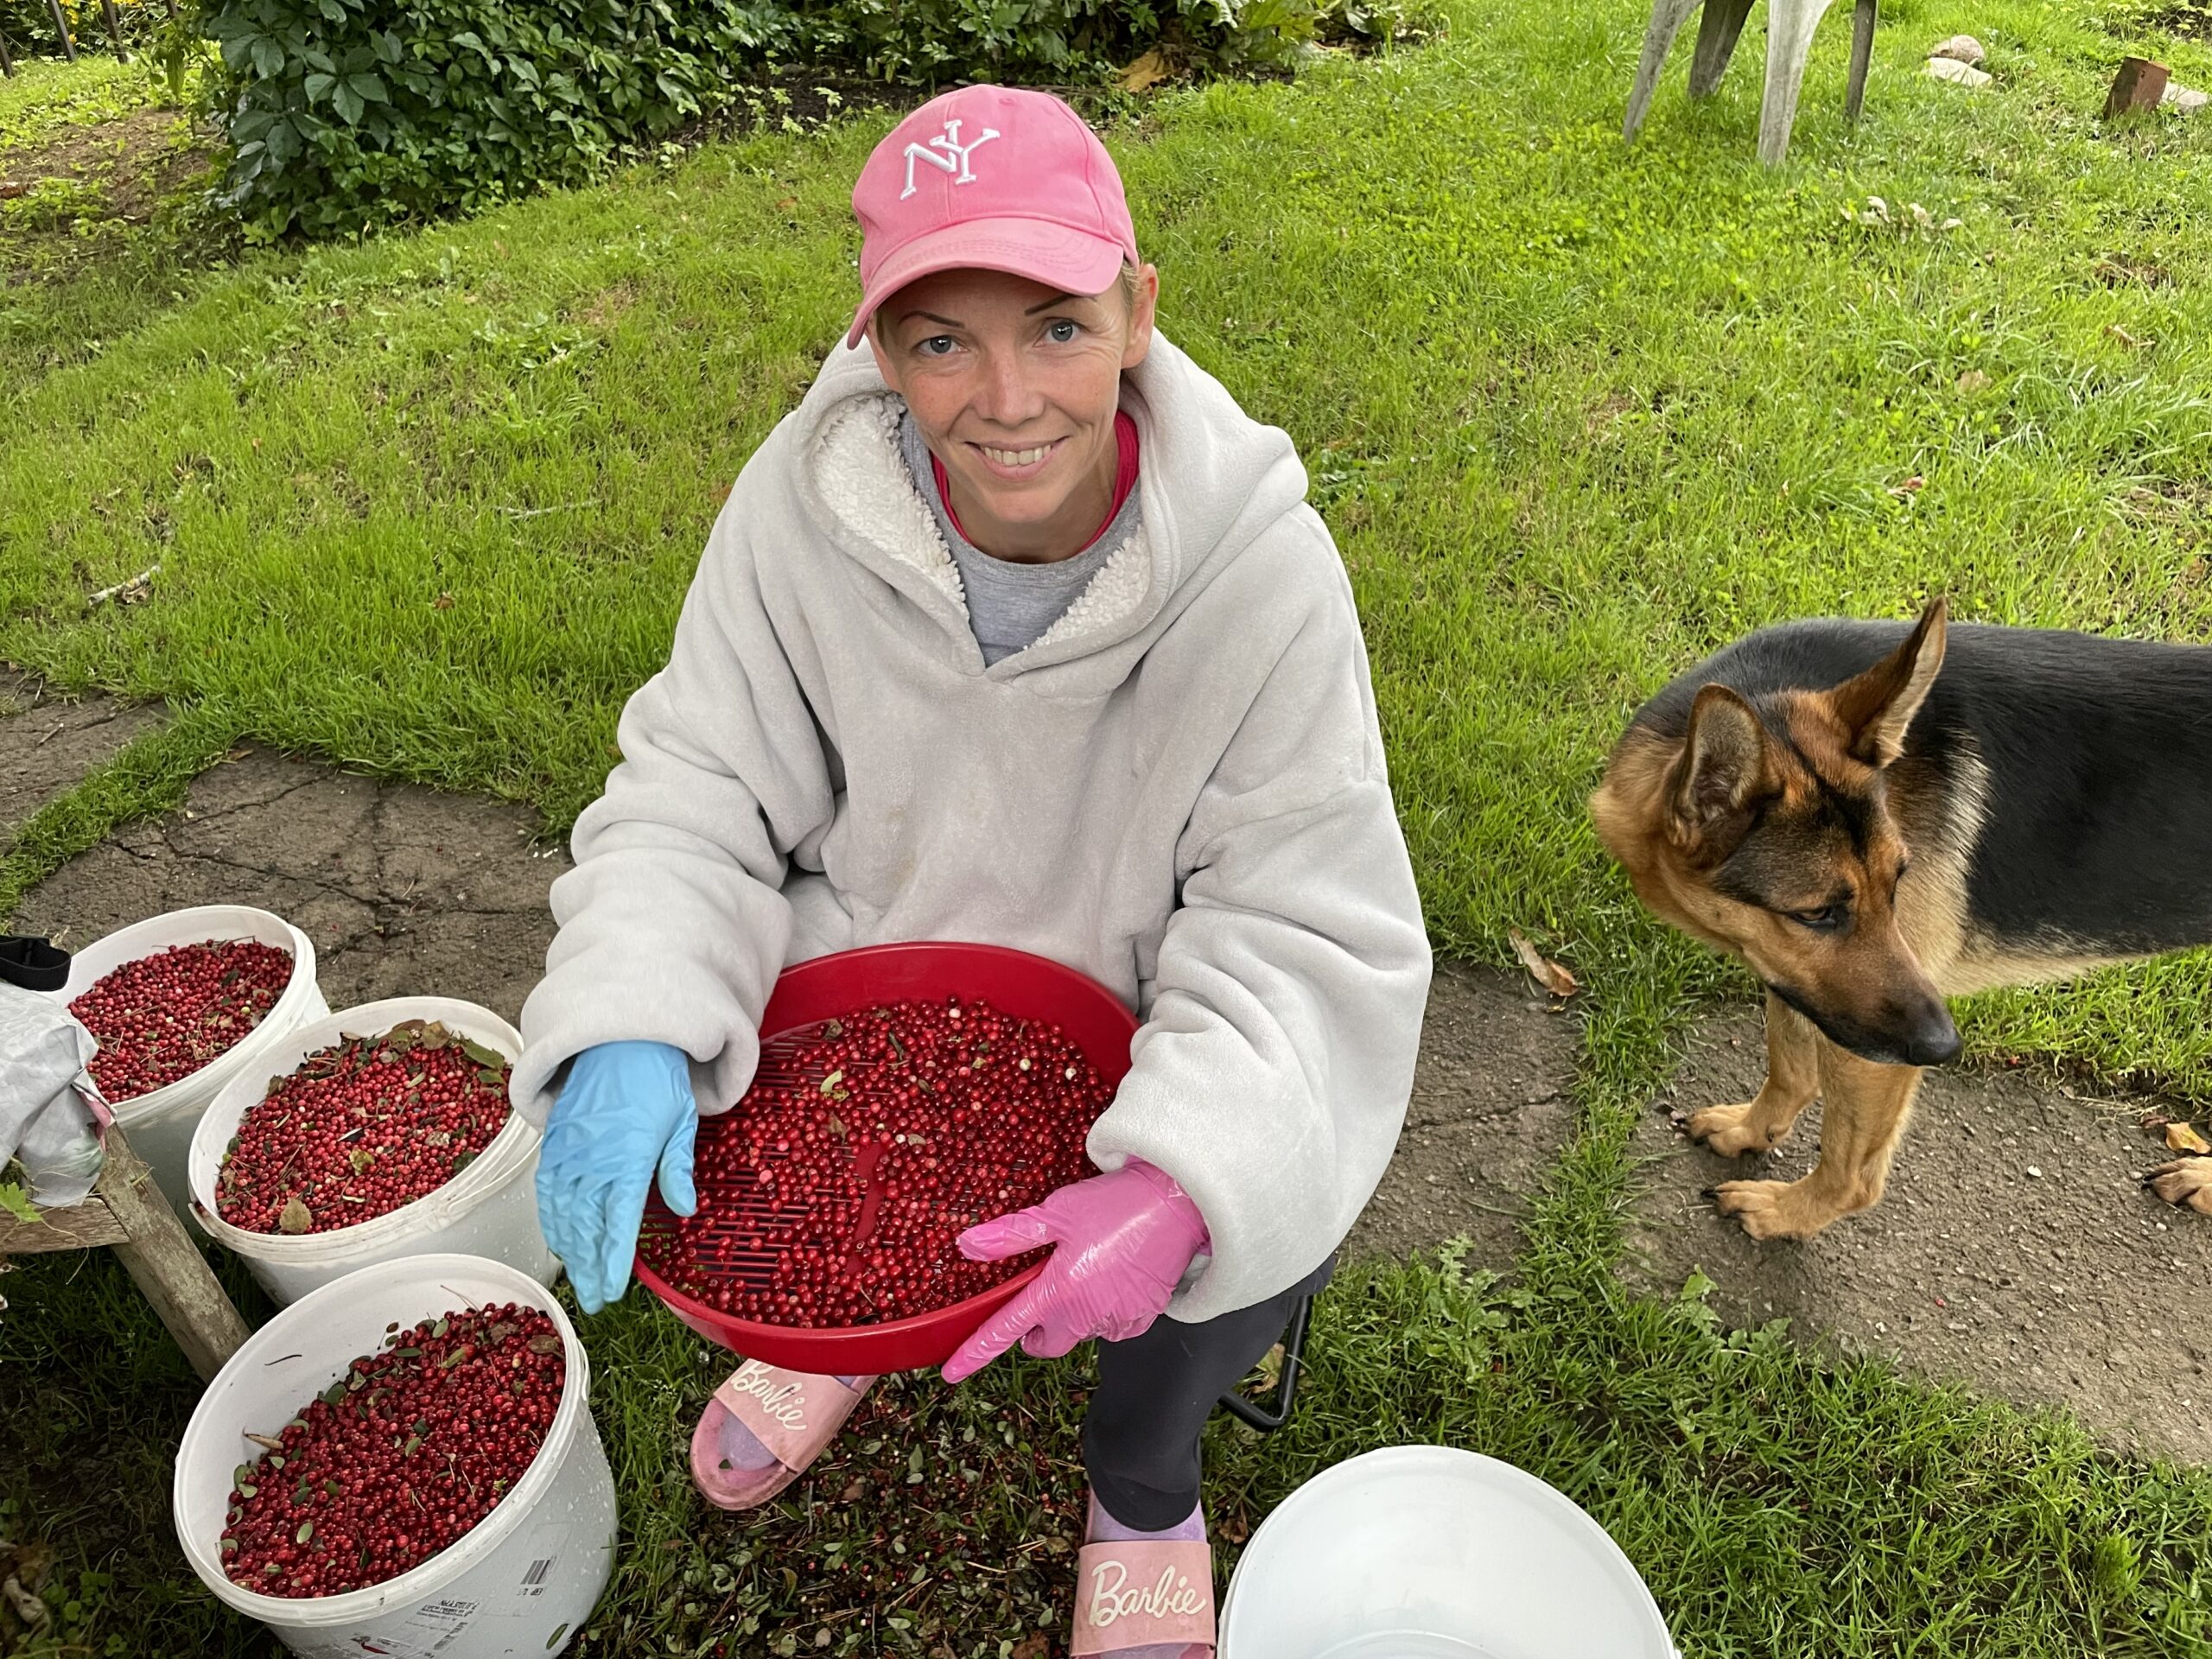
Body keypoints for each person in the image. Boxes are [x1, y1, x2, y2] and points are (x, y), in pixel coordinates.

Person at [512, 84, 1430, 1657]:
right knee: (814, 1166)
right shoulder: (799, 516)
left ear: (1139, 314)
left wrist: (1188, 1172)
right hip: (887, 993)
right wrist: (633, 1013)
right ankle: (841, 1326)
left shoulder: (1262, 571)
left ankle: (1144, 1485)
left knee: (1260, 1187)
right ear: (880, 351)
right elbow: (701, 777)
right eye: (942, 339)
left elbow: (1301, 912)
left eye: (1058, 325)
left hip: (1147, 1007)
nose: (1007, 398)